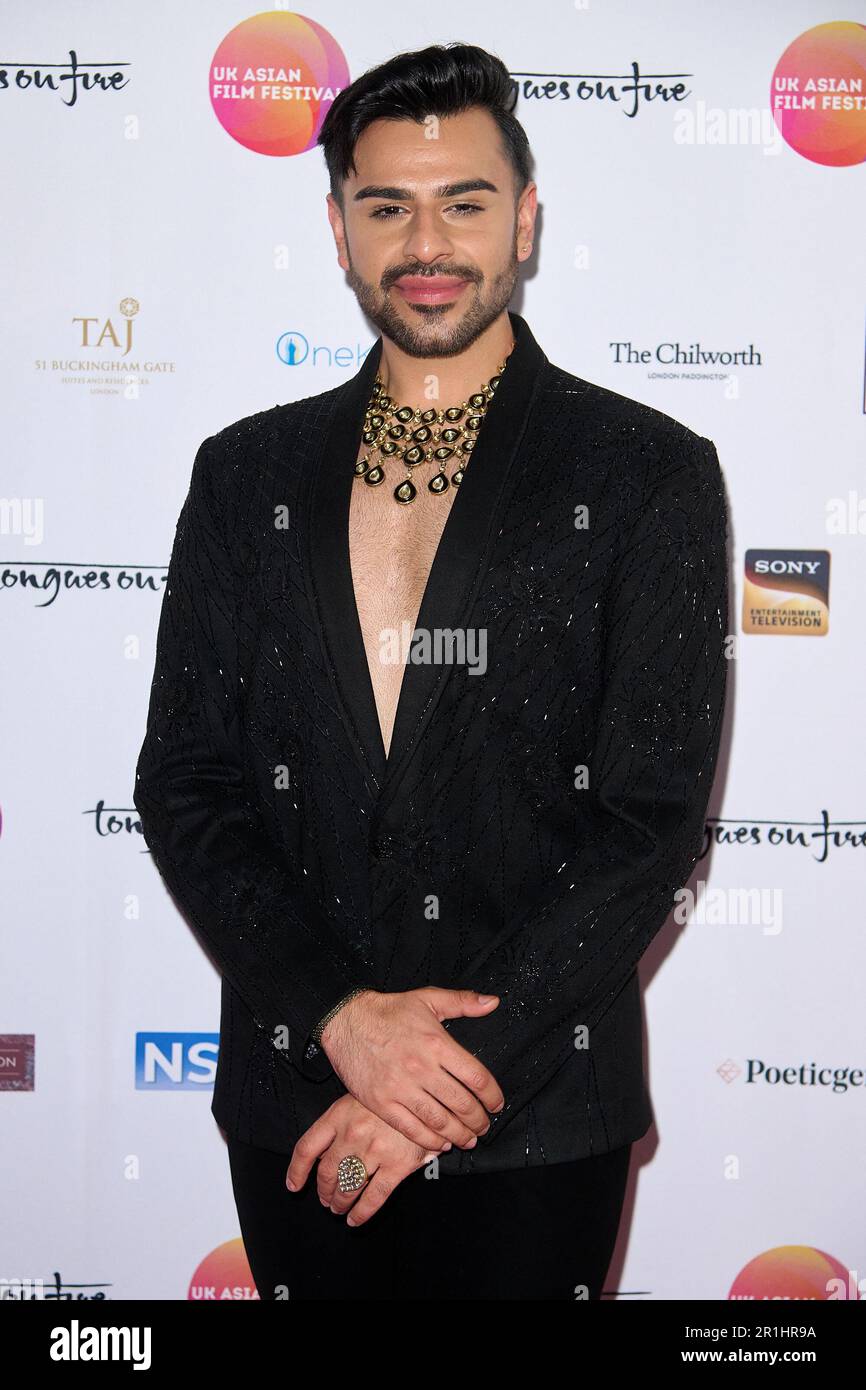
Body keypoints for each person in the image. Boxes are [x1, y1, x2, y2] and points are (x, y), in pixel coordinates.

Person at [133, 41, 729, 1300]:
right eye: (384, 204)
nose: (426, 241)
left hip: (535, 1102)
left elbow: (647, 819)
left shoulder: (644, 473)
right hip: (301, 1099)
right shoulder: (243, 475)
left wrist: (429, 1083)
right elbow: (187, 780)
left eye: (462, 200)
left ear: (523, 218)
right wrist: (343, 1018)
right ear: (338, 230)